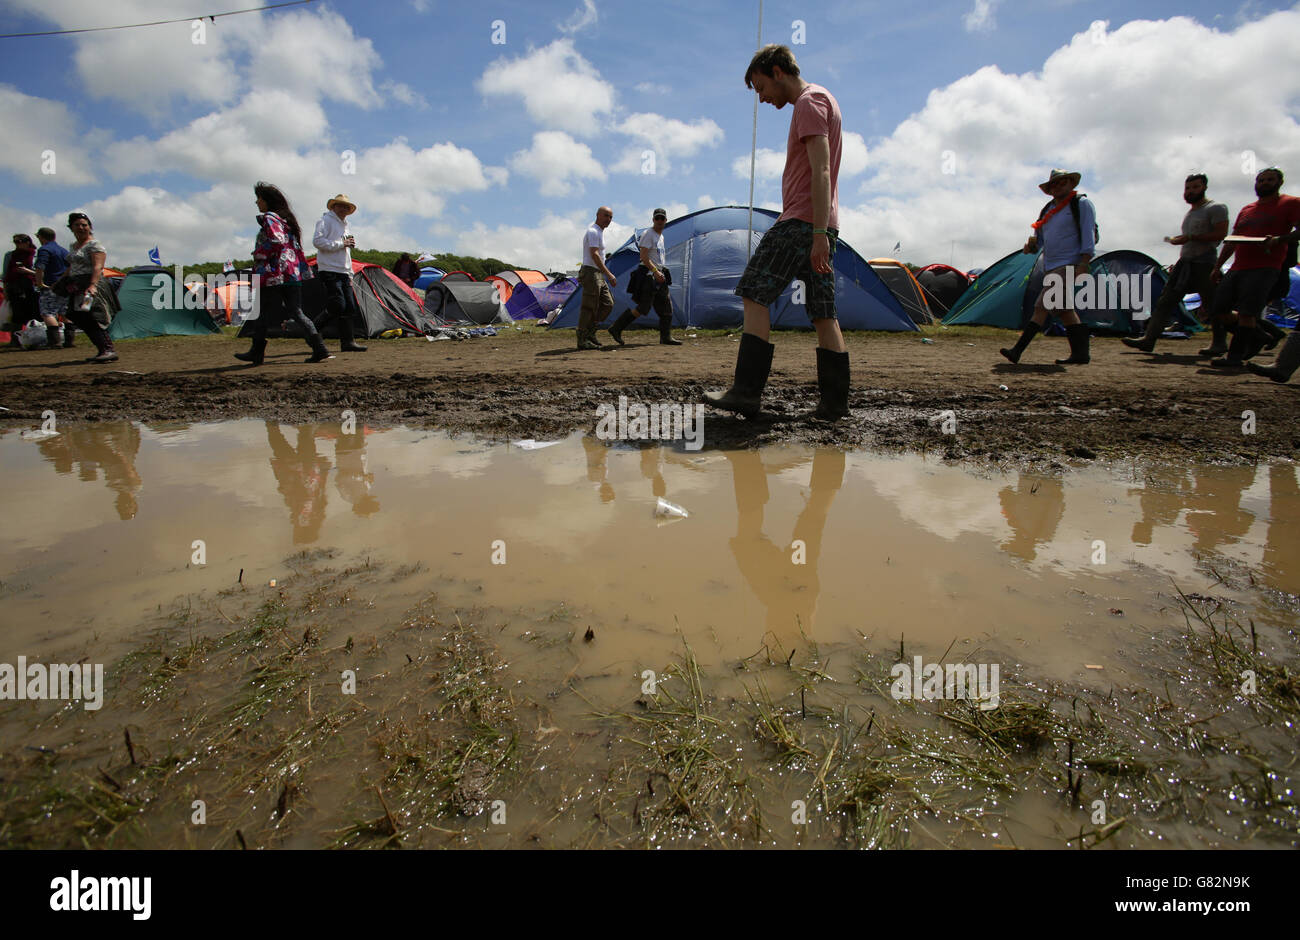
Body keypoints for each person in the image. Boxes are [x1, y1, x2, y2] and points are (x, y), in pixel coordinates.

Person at [702, 44, 849, 420]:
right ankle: (834, 406)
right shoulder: (824, 99)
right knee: (823, 313)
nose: (762, 97)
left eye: (760, 85)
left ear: (777, 71)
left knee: (754, 291)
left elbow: (822, 170)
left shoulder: (809, 102)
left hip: (803, 222)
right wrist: (823, 232)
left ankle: (746, 392)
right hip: (822, 224)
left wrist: (815, 232)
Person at [999, 169, 1097, 366]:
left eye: (1063, 182)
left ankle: (1017, 350)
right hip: (1050, 264)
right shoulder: (1047, 210)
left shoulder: (1081, 204)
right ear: (1049, 189)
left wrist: (1084, 263)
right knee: (1064, 311)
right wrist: (1031, 246)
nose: (1058, 186)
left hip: (1070, 262)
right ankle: (1081, 354)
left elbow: (1089, 234)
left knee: (1041, 306)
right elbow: (1041, 241)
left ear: (1071, 184)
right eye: (1054, 184)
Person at [1207, 167, 1300, 369]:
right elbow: (1232, 241)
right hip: (1239, 265)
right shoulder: (1247, 209)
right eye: (1261, 180)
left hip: (1266, 266)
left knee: (1247, 313)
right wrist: (1218, 266)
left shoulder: (1291, 203)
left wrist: (1279, 240)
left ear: (1279, 182)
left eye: (1269, 180)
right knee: (1219, 310)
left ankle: (1235, 357)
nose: (1264, 183)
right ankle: (1259, 336)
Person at [1123, 174, 1227, 353]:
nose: (1190, 191)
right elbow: (1191, 238)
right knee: (1166, 300)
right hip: (1185, 262)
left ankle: (1220, 342)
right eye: (1188, 188)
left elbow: (1221, 234)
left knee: (1212, 304)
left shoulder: (1216, 208)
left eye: (1195, 187)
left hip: (1205, 262)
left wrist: (1191, 237)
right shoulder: (1191, 212)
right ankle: (1149, 338)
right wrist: (1180, 240)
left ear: (1204, 187)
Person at [237, 182, 329, 366]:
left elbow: (276, 241)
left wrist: (259, 253)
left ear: (267, 201)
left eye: (259, 199)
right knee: (296, 311)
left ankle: (257, 352)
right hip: (292, 273)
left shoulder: (270, 218)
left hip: (274, 274)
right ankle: (319, 348)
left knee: (262, 311)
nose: (257, 203)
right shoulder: (287, 221)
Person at [608, 208, 681, 346]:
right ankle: (616, 328)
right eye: (657, 218)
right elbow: (643, 257)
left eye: (662, 219)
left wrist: (661, 272)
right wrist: (655, 271)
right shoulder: (648, 234)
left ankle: (666, 337)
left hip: (660, 275)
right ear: (653, 220)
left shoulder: (661, 236)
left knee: (666, 308)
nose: (659, 221)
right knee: (643, 308)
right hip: (650, 276)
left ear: (665, 220)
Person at [312, 194, 368, 353]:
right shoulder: (325, 221)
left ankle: (348, 342)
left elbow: (346, 253)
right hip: (329, 268)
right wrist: (341, 243)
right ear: (333, 207)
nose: (343, 209)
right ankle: (313, 329)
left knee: (350, 306)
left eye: (346, 207)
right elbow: (317, 241)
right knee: (338, 304)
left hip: (343, 270)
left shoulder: (345, 225)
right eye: (340, 206)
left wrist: (350, 273)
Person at [62, 213, 120, 363]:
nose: (81, 228)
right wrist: (60, 281)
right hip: (77, 285)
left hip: (92, 284)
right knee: (76, 315)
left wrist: (92, 285)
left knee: (92, 315)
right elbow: (72, 266)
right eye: (77, 225)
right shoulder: (73, 246)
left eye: (84, 225)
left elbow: (97, 266)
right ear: (71, 228)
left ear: (89, 227)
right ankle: (103, 348)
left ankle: (108, 349)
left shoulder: (94, 245)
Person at [575, 206, 616, 350]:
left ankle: (591, 332)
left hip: (597, 273)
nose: (608, 219)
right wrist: (609, 274)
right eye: (606, 216)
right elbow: (594, 254)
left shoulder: (599, 232)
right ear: (598, 215)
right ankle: (582, 339)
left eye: (610, 217)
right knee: (589, 307)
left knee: (608, 303)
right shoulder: (593, 231)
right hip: (591, 272)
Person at [27, 227, 73, 348]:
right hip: (64, 285)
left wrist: (40, 283)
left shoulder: (44, 249)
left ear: (41, 237)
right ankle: (69, 341)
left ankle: (55, 342)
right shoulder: (63, 250)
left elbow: (40, 267)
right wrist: (63, 278)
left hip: (50, 284)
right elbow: (71, 266)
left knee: (47, 312)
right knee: (65, 312)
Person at [3, 234, 39, 338]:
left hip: (32, 287)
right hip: (15, 288)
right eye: (15, 242)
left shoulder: (35, 255)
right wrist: (5, 291)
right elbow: (5, 274)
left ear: (28, 242)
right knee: (16, 314)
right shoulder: (9, 255)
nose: (17, 244)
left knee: (34, 313)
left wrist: (27, 271)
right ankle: (15, 339)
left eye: (20, 241)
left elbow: (41, 272)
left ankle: (36, 337)